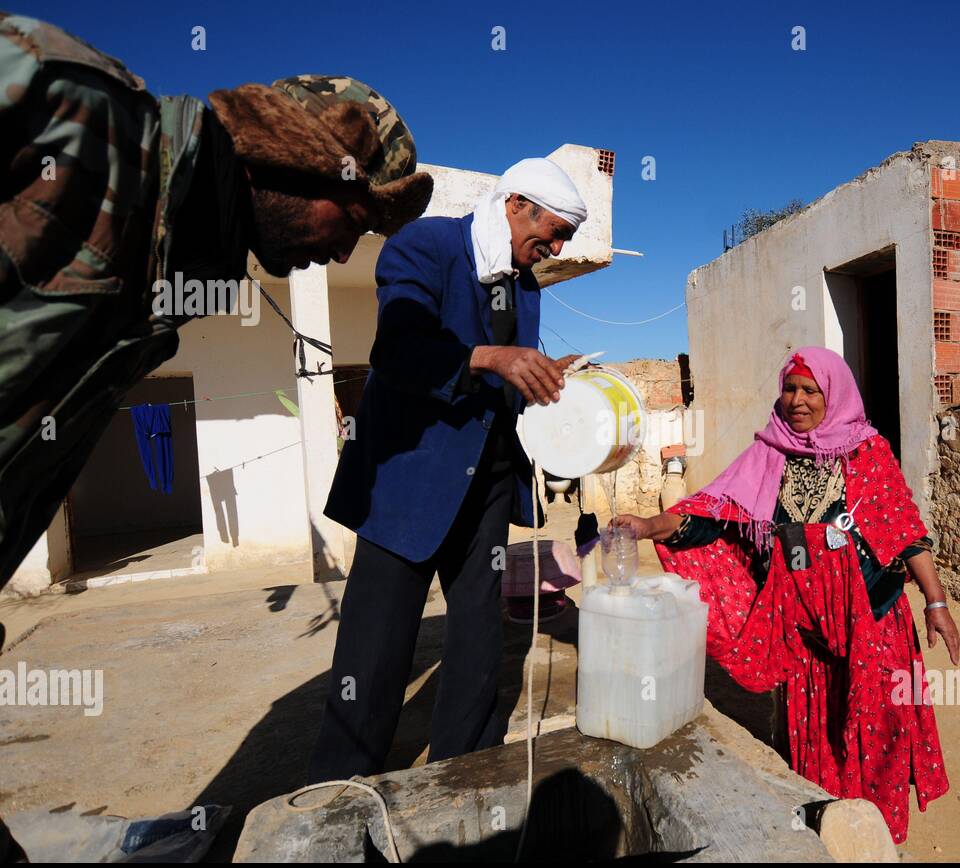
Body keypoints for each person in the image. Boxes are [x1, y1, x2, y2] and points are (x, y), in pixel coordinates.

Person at [0, 14, 433, 590]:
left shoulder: (168, 284)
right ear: (294, 152)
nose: (344, 251)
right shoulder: (67, 106)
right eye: (354, 219)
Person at [307, 158, 587, 782]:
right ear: (516, 204)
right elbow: (398, 352)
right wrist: (493, 358)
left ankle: (463, 771)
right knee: (375, 645)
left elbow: (507, 385)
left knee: (478, 637)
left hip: (486, 487)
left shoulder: (526, 287)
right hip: (407, 481)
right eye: (556, 229)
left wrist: (543, 380)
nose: (559, 247)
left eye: (568, 235)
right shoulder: (425, 246)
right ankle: (340, 786)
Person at [613, 347, 960, 844]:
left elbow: (904, 532)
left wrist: (936, 602)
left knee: (877, 724)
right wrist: (651, 524)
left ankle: (877, 833)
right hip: (803, 626)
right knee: (817, 731)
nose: (796, 400)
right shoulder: (769, 452)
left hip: (872, 616)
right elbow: (714, 514)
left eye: (809, 390)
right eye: (790, 388)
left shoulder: (868, 452)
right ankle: (826, 822)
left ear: (832, 393)